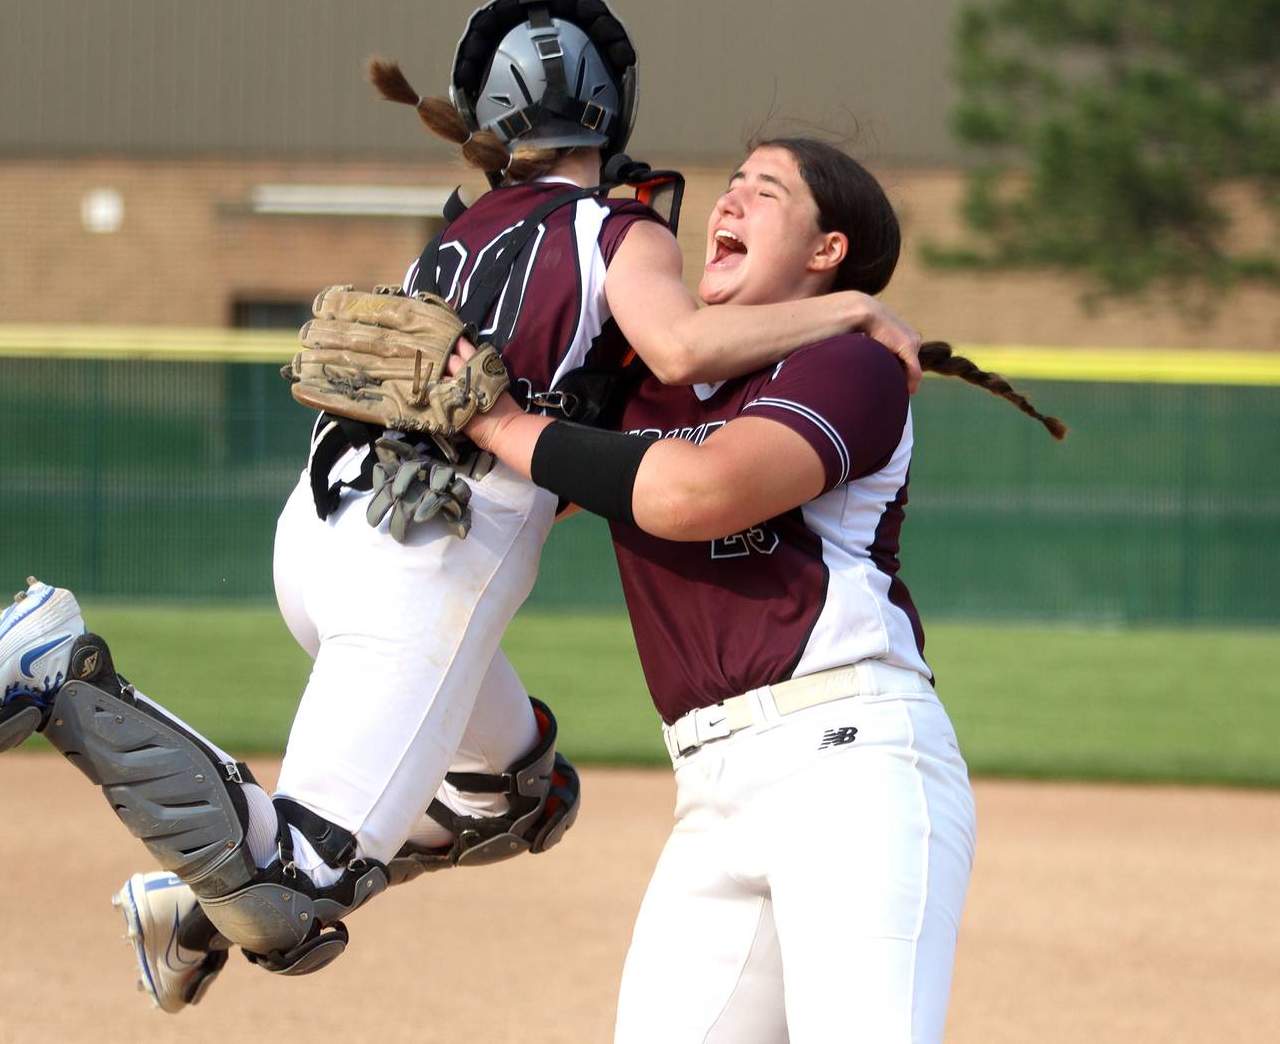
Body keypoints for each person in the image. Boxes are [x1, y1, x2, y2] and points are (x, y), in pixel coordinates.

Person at [0, 0, 925, 1014]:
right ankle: (67, 680)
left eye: (760, 189)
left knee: (519, 794)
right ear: (610, 116)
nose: (724, 200)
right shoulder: (617, 231)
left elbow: (582, 453)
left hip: (316, 541)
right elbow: (673, 349)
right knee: (289, 891)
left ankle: (191, 902)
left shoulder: (445, 244)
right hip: (427, 560)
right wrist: (851, 307)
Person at [428, 137, 1065, 1041]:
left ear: (826, 253)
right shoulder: (649, 386)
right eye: (727, 186)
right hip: (709, 793)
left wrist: (497, 420)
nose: (726, 204)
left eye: (763, 192)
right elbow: (527, 481)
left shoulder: (850, 363)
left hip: (851, 766)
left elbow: (698, 492)